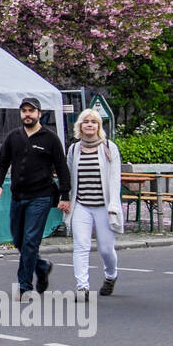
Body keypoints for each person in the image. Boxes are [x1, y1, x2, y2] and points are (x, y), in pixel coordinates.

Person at [0, 97, 71, 299]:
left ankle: (24, 286)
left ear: (39, 113)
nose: (27, 114)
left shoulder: (50, 138)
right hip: (18, 196)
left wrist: (64, 195)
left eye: (31, 111)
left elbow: (62, 168)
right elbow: (2, 162)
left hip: (41, 196)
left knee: (30, 242)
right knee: (18, 240)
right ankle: (42, 266)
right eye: (24, 111)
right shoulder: (13, 137)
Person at [64, 109, 122, 300]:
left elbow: (115, 178)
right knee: (81, 245)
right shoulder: (74, 149)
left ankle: (111, 275)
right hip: (81, 205)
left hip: (104, 206)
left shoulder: (109, 147)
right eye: (86, 122)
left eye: (94, 122)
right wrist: (66, 200)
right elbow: (70, 177)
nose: (90, 125)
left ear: (99, 126)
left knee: (106, 248)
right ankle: (82, 287)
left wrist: (113, 205)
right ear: (79, 126)